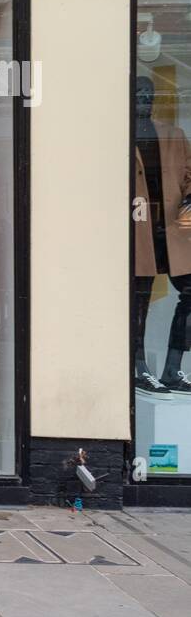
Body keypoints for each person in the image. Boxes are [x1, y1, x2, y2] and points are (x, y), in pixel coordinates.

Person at [133, 75, 191, 395]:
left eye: (148, 95)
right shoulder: (119, 136)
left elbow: (190, 177)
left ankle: (172, 368)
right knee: (139, 301)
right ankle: (140, 368)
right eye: (139, 94)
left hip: (171, 231)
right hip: (137, 231)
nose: (144, 99)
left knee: (190, 291)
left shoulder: (174, 135)